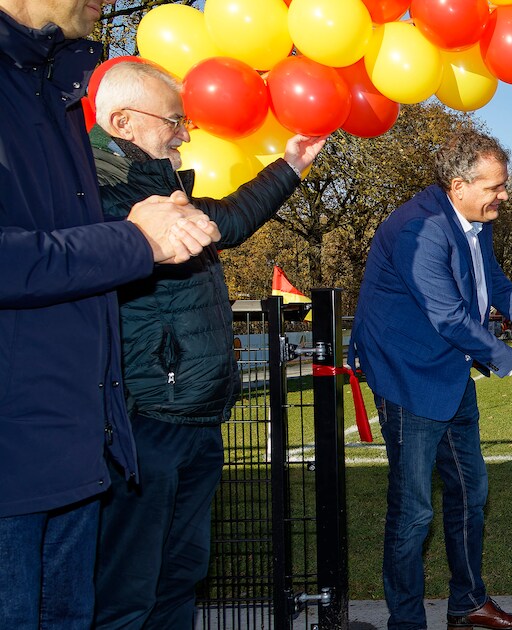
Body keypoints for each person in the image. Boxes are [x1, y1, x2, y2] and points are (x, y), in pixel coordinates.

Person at [0, 1, 222, 627]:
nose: (183, 134)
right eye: (173, 121)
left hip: (76, 448)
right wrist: (133, 239)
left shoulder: (57, 91)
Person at [87, 61, 327, 629]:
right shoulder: (93, 192)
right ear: (122, 122)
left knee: (181, 574)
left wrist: (291, 165)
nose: (185, 134)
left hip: (195, 417)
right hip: (146, 422)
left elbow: (230, 220)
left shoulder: (159, 190)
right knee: (128, 588)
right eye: (173, 121)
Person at [350, 130, 512, 630]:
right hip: (409, 379)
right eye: (495, 187)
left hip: (452, 374)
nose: (504, 195)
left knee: (471, 493)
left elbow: (492, 282)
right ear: (459, 185)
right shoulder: (418, 230)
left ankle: (468, 604)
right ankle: (406, 623)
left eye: (504, 185)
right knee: (413, 512)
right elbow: (450, 318)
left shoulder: (477, 219)